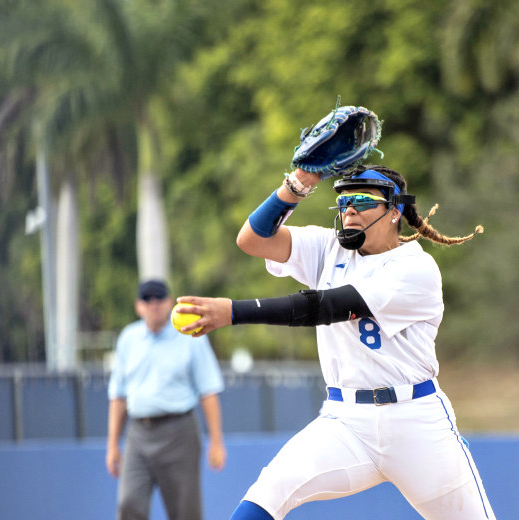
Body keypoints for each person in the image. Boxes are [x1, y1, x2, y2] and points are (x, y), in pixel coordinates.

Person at [175, 165, 495, 520]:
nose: (350, 210)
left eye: (361, 199)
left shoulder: (415, 268)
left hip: (416, 422)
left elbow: (326, 307)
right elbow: (252, 239)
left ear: (395, 211)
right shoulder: (330, 248)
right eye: (343, 201)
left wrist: (234, 312)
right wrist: (297, 185)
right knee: (270, 490)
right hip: (346, 421)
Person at [106, 279, 227, 520]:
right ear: (138, 306)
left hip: (178, 432)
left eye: (159, 298)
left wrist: (216, 440)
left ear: (169, 302)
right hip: (138, 432)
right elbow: (118, 396)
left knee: (185, 511)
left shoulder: (190, 334)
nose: (153, 304)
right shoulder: (128, 339)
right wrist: (112, 444)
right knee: (129, 503)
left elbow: (208, 390)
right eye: (147, 299)